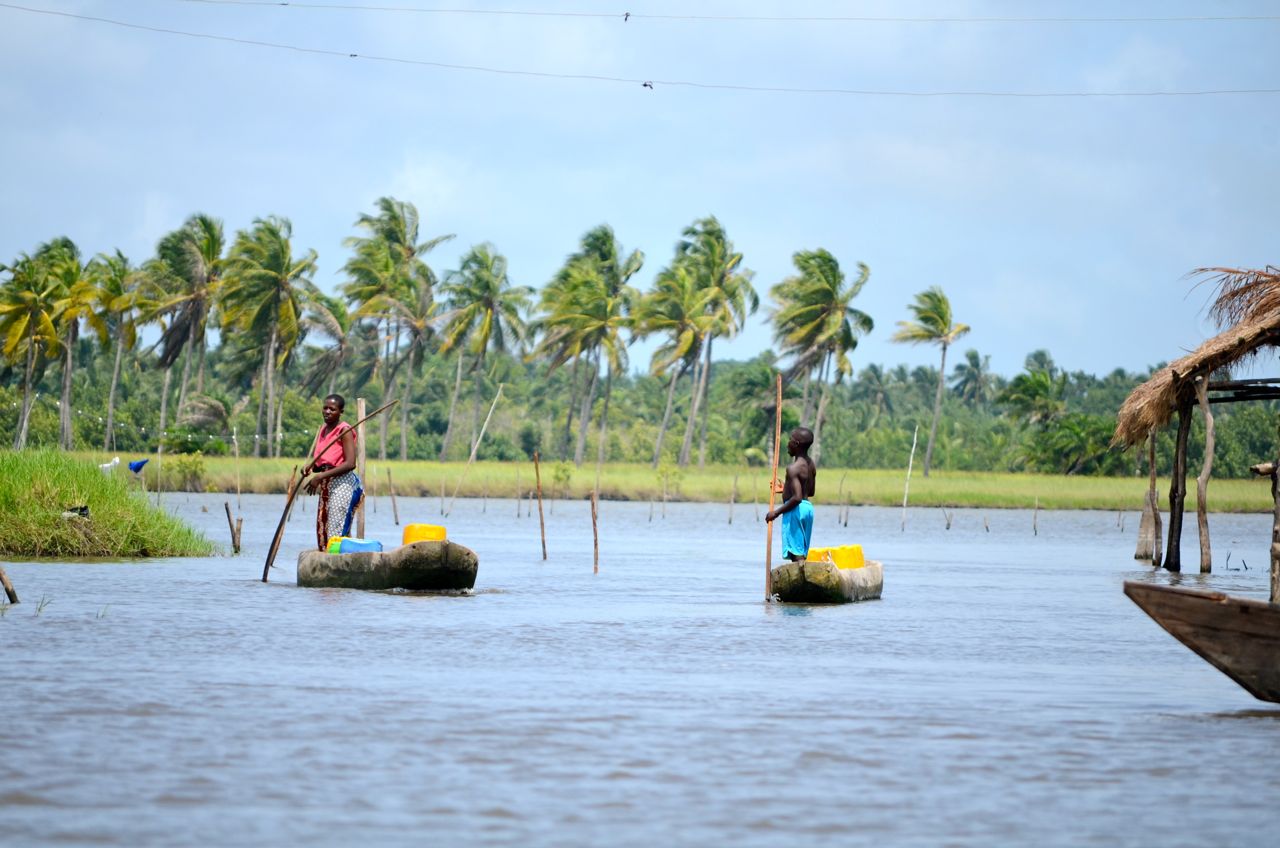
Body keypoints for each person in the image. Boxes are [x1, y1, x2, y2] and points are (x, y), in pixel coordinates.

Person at [304, 394, 362, 551]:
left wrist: (320, 476)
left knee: (336, 529)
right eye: (325, 408)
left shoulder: (345, 430)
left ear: (340, 412)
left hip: (342, 484)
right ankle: (328, 561)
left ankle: (337, 562)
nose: (327, 411)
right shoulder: (323, 430)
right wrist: (311, 469)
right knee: (322, 528)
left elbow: (350, 463)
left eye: (332, 409)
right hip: (326, 484)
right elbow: (324, 463)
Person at [765, 426, 817, 561]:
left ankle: (801, 577)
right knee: (801, 550)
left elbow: (797, 498)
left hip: (796, 511)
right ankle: (801, 576)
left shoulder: (792, 468)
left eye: (790, 440)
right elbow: (809, 491)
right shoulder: (811, 465)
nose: (788, 443)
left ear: (796, 444)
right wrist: (785, 488)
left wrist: (775, 513)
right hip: (808, 509)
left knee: (796, 551)